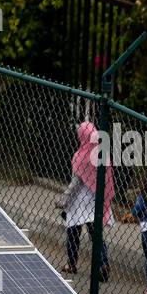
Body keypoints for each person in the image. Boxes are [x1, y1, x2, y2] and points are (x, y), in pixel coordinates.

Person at [57, 120, 112, 281]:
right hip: (97, 200)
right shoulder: (101, 153)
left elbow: (75, 183)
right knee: (96, 235)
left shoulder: (81, 156)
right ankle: (103, 263)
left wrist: (63, 201)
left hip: (80, 201)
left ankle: (71, 263)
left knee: (73, 232)